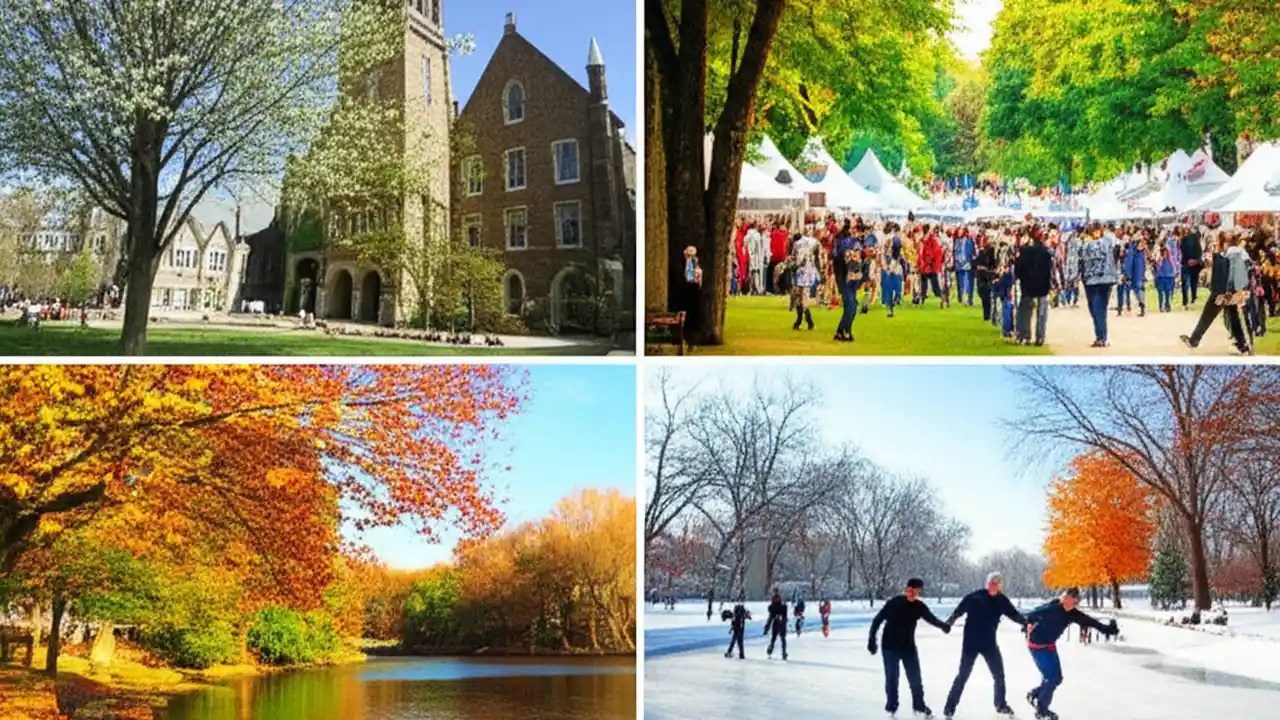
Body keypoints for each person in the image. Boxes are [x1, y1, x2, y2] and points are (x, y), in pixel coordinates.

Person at [1022, 588, 1120, 720]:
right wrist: (1027, 624)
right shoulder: (1052, 607)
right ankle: (1041, 709)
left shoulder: (1073, 614)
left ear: (1075, 601)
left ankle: (1034, 695)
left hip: (1049, 646)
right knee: (1051, 678)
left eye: (1073, 602)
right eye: (1066, 599)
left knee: (1056, 678)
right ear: (1063, 598)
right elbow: (1032, 614)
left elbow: (1090, 621)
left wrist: (1107, 629)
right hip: (1037, 646)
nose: (1068, 604)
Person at [942, 572, 1027, 719]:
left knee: (999, 675)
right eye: (991, 582)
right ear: (987, 583)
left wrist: (1026, 623)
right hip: (971, 643)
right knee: (963, 675)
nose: (993, 585)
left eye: (996, 583)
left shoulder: (1002, 601)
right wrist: (949, 623)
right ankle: (949, 708)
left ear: (1000, 586)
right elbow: (958, 611)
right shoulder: (975, 597)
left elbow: (1014, 615)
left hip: (989, 644)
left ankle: (1000, 705)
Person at [869, 578, 950, 718]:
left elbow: (931, 618)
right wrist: (872, 639)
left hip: (908, 647)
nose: (912, 594)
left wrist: (943, 626)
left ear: (919, 592)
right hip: (890, 647)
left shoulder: (919, 606)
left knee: (915, 679)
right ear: (906, 589)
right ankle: (891, 708)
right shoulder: (894, 603)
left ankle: (919, 706)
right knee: (892, 678)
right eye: (910, 590)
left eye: (916, 591)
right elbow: (878, 619)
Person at [1181, 232, 1253, 354]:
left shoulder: (1222, 254)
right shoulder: (1241, 253)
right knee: (1235, 318)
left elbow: (1211, 265)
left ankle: (1194, 340)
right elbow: (1248, 269)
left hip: (1220, 291)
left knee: (1207, 316)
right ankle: (1244, 345)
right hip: (1234, 291)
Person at [1079, 225, 1118, 347]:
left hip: (1092, 280)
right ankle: (1101, 337)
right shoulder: (1109, 243)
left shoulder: (1087, 246)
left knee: (1096, 309)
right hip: (1106, 279)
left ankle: (1101, 337)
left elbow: (1081, 262)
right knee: (1100, 309)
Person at [1014, 229, 1053, 346]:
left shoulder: (1025, 252)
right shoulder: (1046, 253)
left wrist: (1020, 277)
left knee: (1025, 311)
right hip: (1043, 285)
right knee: (1042, 313)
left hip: (1028, 284)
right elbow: (1049, 270)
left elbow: (1018, 269)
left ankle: (1024, 335)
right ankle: (1040, 337)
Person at [832, 221, 863, 343]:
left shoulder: (854, 242)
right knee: (851, 305)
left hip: (852, 278)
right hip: (846, 278)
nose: (856, 230)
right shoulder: (844, 243)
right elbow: (846, 258)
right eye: (854, 228)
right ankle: (844, 331)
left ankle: (844, 331)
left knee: (851, 306)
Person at [791, 229, 821, 331]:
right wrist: (819, 272)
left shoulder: (796, 244)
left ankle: (800, 321)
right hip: (809, 272)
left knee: (799, 297)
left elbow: (794, 259)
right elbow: (818, 258)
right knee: (804, 298)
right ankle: (807, 322)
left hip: (799, 272)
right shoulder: (815, 242)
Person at [1119, 238, 1147, 317]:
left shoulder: (1136, 253)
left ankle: (1139, 307)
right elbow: (1129, 265)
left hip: (1137, 276)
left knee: (1137, 291)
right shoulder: (1137, 254)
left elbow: (1129, 264)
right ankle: (1139, 307)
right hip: (1136, 275)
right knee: (1138, 291)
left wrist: (1127, 275)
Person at [1180, 225, 1203, 308]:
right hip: (1191, 263)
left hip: (1188, 263)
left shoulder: (1184, 239)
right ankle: (1192, 298)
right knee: (1192, 282)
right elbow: (1199, 251)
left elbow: (1183, 251)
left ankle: (1187, 301)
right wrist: (1195, 260)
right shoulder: (1194, 239)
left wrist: (1191, 261)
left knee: (1187, 283)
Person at [764, 588, 789, 659]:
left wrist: (767, 627)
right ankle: (783, 653)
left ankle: (771, 649)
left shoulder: (773, 605)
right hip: (781, 623)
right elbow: (784, 615)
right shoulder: (782, 604)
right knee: (782, 638)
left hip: (777, 622)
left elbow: (770, 617)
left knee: (774, 638)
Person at [1154, 245, 1177, 313]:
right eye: (1163, 252)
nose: (1165, 254)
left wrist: (1174, 275)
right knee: (1160, 293)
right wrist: (1160, 260)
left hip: (1169, 277)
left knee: (1167, 293)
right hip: (1160, 278)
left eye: (1166, 252)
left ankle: (1167, 306)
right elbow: (1158, 268)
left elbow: (1174, 267)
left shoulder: (1171, 259)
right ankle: (1161, 307)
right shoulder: (1159, 259)